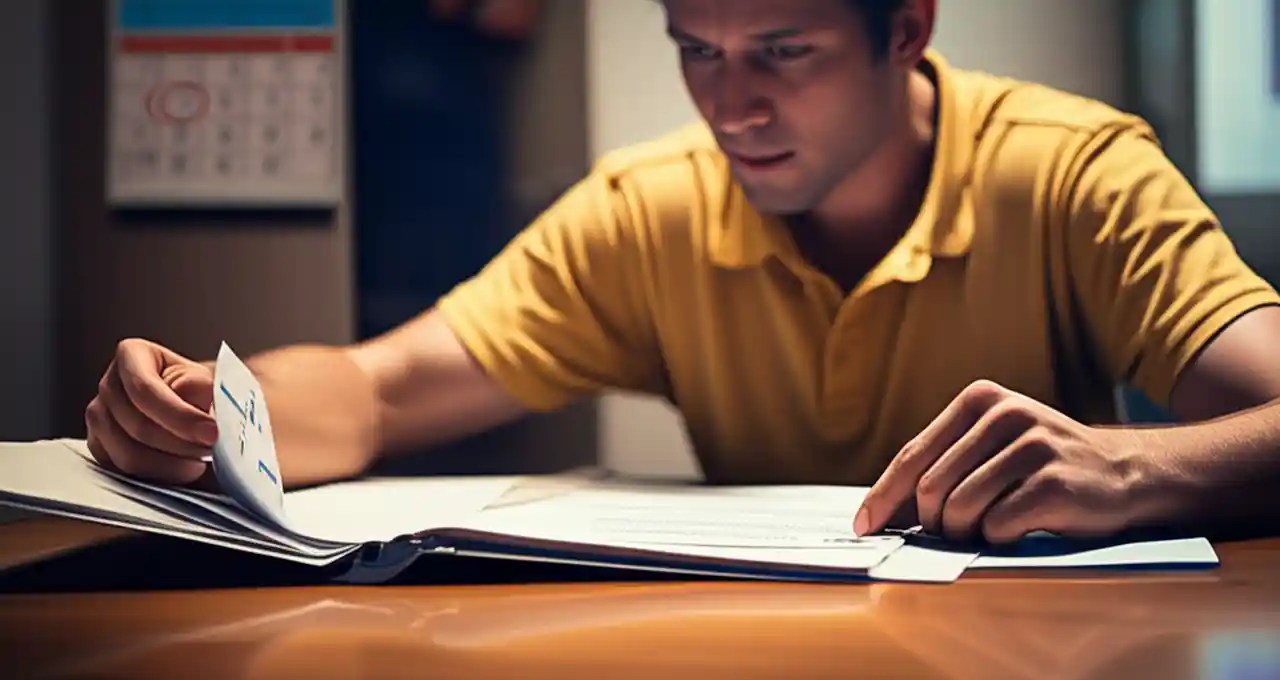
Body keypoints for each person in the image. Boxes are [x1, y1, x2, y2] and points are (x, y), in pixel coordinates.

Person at [85, 0, 1280, 544]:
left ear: (906, 29)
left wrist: (1131, 465)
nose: (729, 104)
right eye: (697, 51)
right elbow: (381, 391)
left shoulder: (1074, 172)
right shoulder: (648, 206)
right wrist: (204, 408)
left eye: (782, 52)